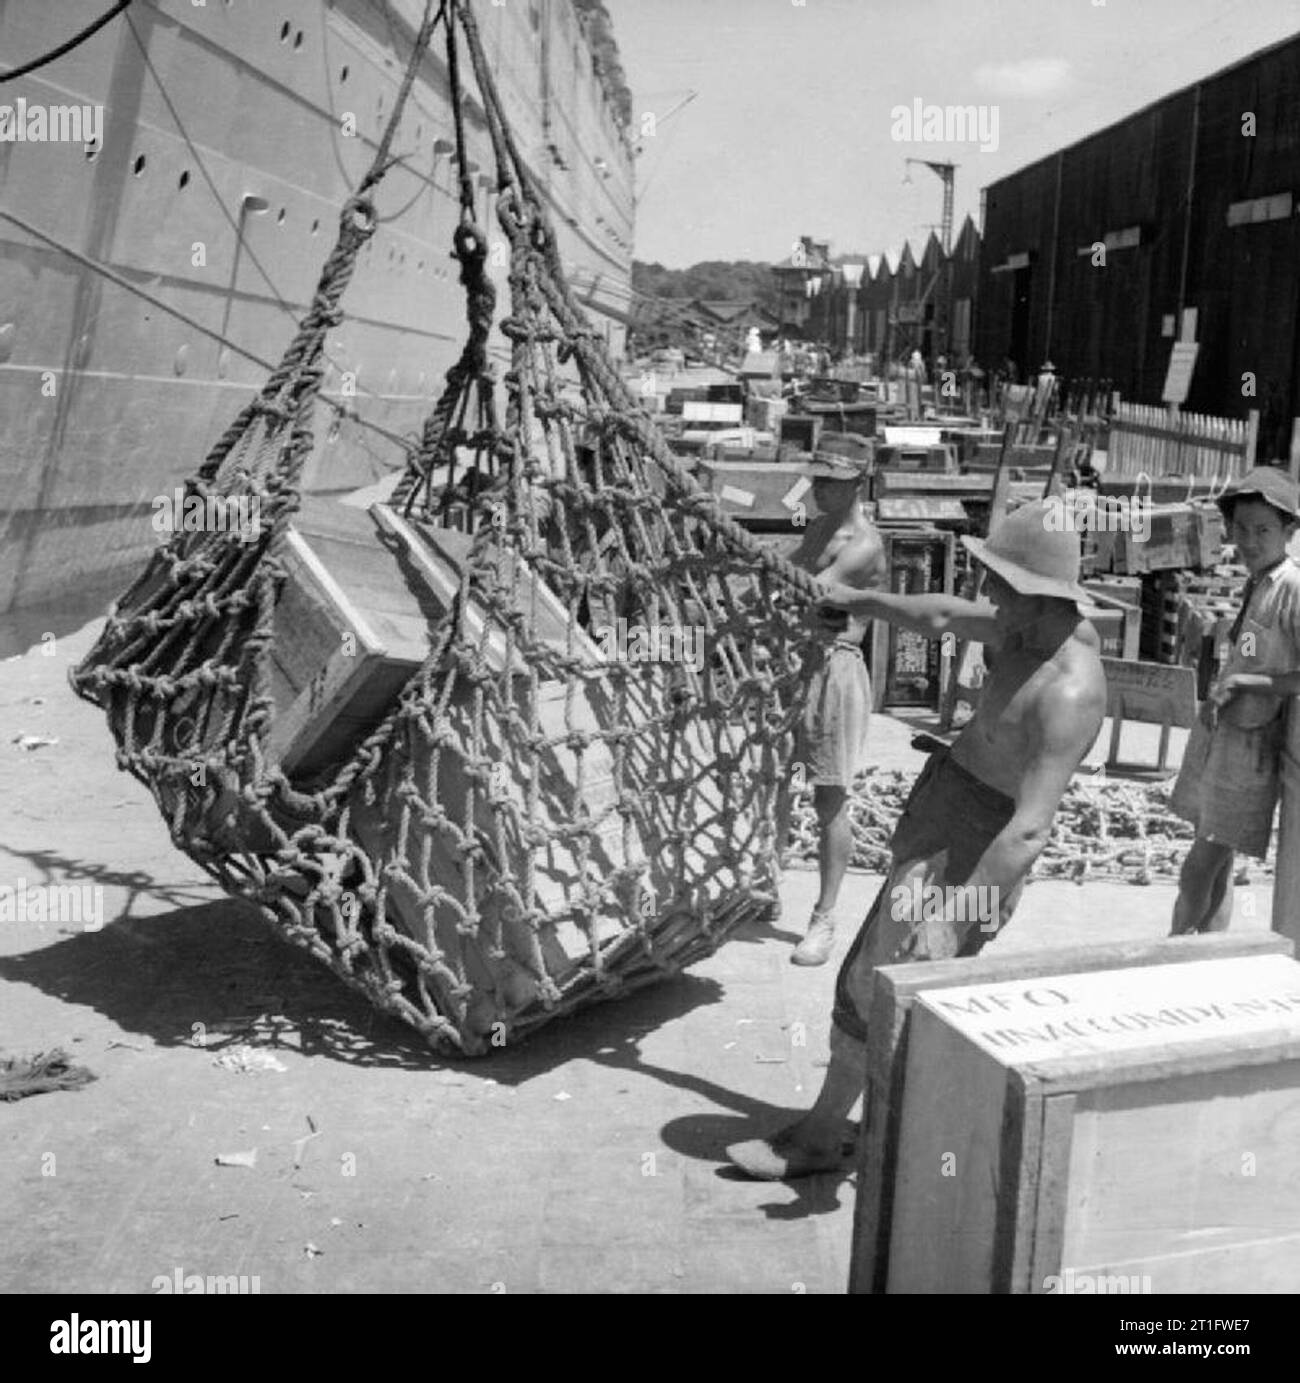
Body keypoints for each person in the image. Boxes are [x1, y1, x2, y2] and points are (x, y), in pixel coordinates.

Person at [728, 500, 1107, 1178]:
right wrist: (859, 601)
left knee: (889, 986)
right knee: (876, 976)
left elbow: (1028, 829)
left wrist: (953, 917)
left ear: (1039, 593)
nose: (989, 594)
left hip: (977, 848)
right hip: (941, 814)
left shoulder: (1070, 691)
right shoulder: (1023, 625)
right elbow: (939, 614)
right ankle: (861, 1133)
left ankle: (839, 1140)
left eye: (1001, 583)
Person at [1169, 468, 1300, 937]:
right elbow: (1252, 651)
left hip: (1251, 752)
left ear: (1289, 531)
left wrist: (1245, 681)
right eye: (1241, 529)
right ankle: (1207, 951)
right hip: (1225, 740)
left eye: (1262, 530)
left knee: (1198, 867)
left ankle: (1173, 952)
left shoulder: (1291, 588)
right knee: (1216, 863)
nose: (1248, 541)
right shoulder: (1259, 583)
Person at [788, 502, 886, 966]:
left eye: (832, 479)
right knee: (774, 783)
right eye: (818, 477)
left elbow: (806, 590)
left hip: (836, 669)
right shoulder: (817, 527)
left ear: (858, 478)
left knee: (828, 797)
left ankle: (823, 918)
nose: (820, 487)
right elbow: (783, 567)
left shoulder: (863, 544)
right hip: (796, 661)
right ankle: (764, 884)